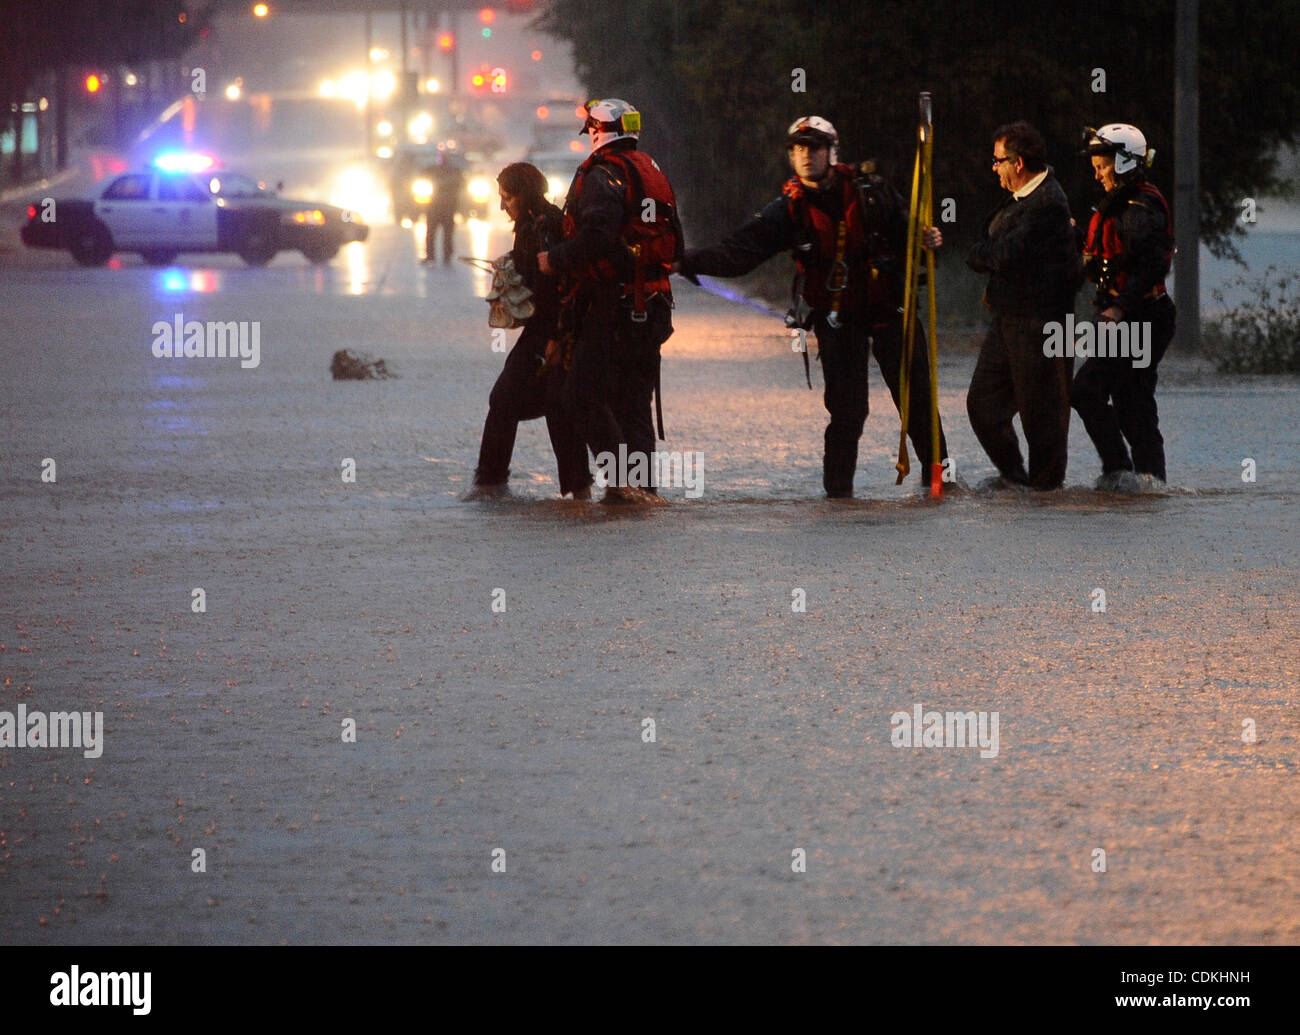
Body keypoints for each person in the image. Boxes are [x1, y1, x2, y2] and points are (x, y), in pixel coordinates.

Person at [679, 116, 948, 498]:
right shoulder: (787, 209)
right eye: (799, 149)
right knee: (848, 411)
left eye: (815, 148)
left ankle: (943, 485)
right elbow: (737, 253)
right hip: (838, 317)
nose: (807, 155)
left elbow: (912, 236)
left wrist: (929, 240)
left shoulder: (873, 192)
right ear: (791, 156)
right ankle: (837, 499)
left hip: (891, 308)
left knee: (917, 400)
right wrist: (683, 261)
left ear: (831, 152)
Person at [537, 98, 684, 504]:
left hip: (614, 307)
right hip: (652, 307)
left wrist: (556, 259)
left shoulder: (602, 176)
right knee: (633, 404)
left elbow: (597, 237)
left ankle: (622, 483)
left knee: (580, 393)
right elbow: (675, 242)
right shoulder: (650, 171)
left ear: (598, 132)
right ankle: (639, 494)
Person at [464, 163, 592, 500]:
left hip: (551, 329)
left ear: (525, 195)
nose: (502, 206)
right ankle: (579, 490)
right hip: (552, 328)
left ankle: (490, 484)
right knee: (555, 403)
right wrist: (509, 261)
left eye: (507, 197)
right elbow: (531, 265)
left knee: (506, 399)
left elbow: (558, 283)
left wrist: (555, 338)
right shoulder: (536, 222)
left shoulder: (542, 225)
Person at [965, 120, 1080, 491]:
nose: (994, 167)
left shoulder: (1048, 203)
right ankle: (1014, 479)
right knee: (982, 405)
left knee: (1042, 418)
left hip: (1044, 325)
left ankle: (1045, 496)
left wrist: (979, 256)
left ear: (1018, 162)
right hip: (1008, 320)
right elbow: (997, 250)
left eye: (998, 160)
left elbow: (1006, 254)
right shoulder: (1019, 196)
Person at [1072, 124, 1175, 492]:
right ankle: (1140, 479)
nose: (1097, 173)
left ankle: (1128, 474)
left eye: (1102, 166)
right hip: (1129, 315)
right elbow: (1106, 257)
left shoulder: (1140, 207)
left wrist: (1119, 309)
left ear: (1125, 163)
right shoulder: (1119, 203)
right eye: (1095, 166)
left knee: (1092, 390)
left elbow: (1152, 265)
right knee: (1130, 399)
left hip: (1142, 316)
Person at [422, 151, 463, 265]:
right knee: (433, 233)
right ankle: (432, 255)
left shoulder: (453, 172)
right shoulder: (433, 170)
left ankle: (445, 256)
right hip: (435, 207)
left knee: (446, 234)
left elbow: (460, 184)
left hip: (446, 208)